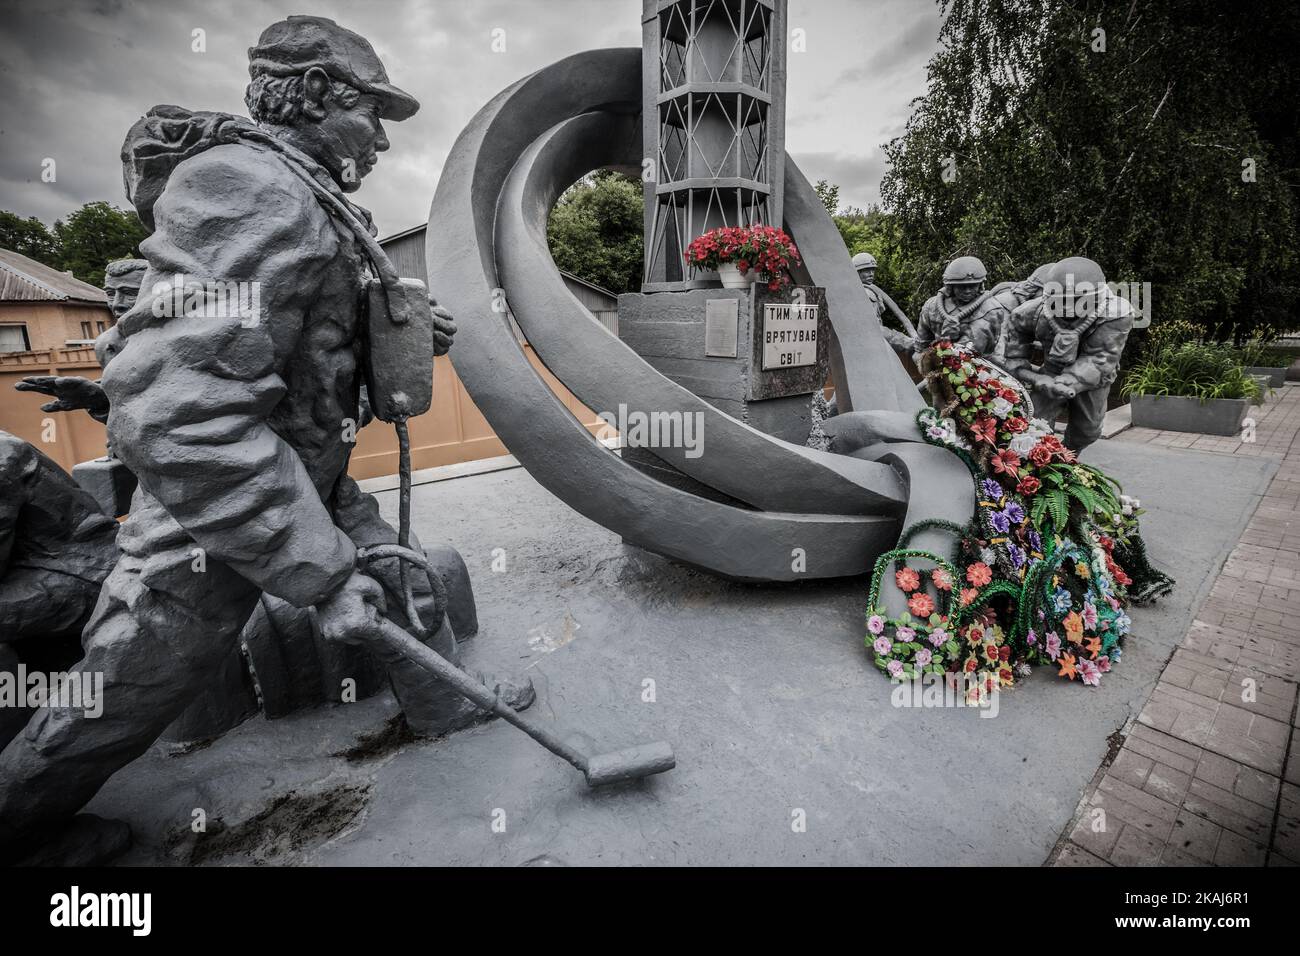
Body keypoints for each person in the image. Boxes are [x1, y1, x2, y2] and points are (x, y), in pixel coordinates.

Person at [0, 16, 529, 860]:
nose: (385, 140)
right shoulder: (253, 190)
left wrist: (389, 324)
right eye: (373, 113)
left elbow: (286, 330)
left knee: (398, 569)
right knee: (135, 677)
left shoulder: (304, 189)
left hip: (305, 468)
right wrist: (312, 573)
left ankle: (446, 701)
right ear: (317, 93)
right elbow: (179, 407)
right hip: (230, 499)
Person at [1003, 256, 1134, 453]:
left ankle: (1068, 457)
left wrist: (1068, 382)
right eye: (1060, 301)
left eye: (1077, 301)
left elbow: (1101, 359)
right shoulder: (1031, 312)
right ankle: (1038, 461)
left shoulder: (1116, 313)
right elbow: (1014, 355)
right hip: (1050, 373)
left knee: (1087, 432)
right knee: (1034, 424)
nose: (1067, 307)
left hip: (1092, 379)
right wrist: (1036, 379)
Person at [912, 256, 1009, 360]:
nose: (967, 291)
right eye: (962, 286)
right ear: (950, 286)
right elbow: (921, 347)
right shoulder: (931, 307)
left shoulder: (990, 309)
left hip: (978, 367)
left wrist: (947, 339)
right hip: (936, 364)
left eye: (972, 286)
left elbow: (969, 354)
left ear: (980, 285)